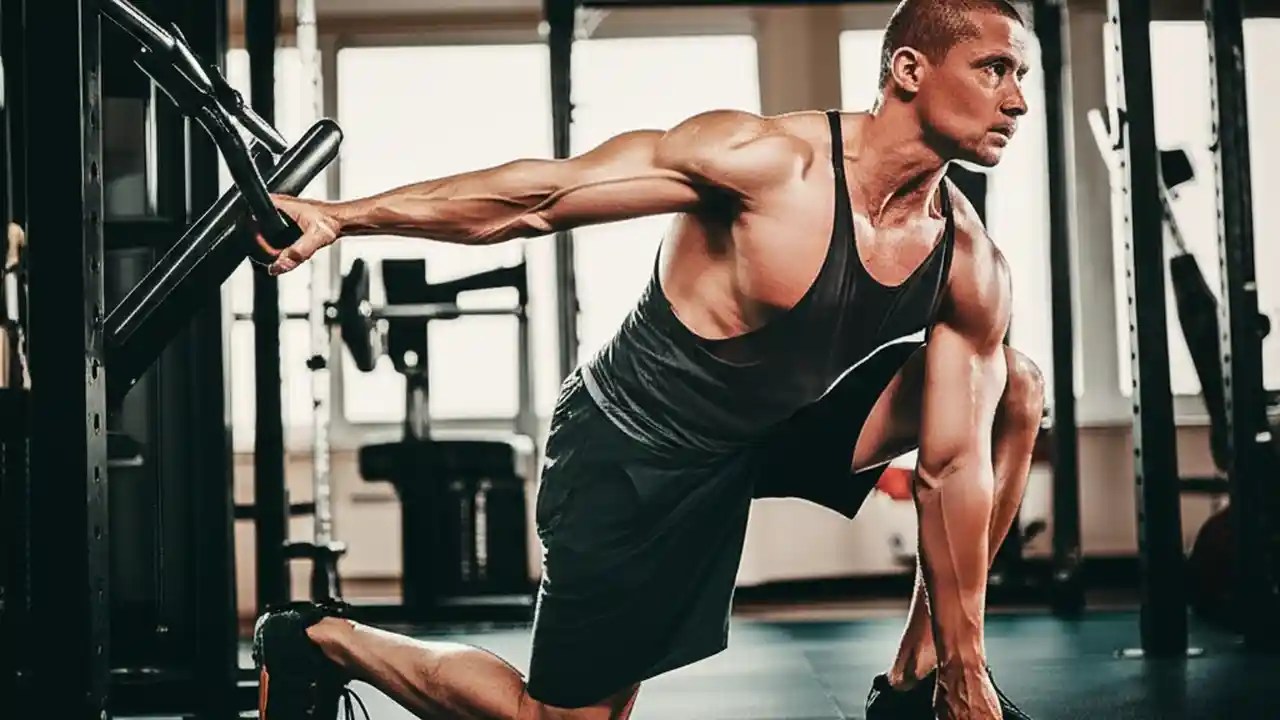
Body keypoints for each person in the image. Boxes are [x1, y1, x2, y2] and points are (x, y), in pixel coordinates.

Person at [252, 0, 1045, 718]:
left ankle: (919, 679)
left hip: (774, 430)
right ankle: (321, 639)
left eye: (1022, 77)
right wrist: (342, 217)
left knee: (1013, 386)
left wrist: (964, 668)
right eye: (995, 69)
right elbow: (539, 199)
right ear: (910, 69)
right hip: (636, 441)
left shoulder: (968, 260)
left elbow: (951, 465)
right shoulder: (769, 165)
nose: (1017, 99)